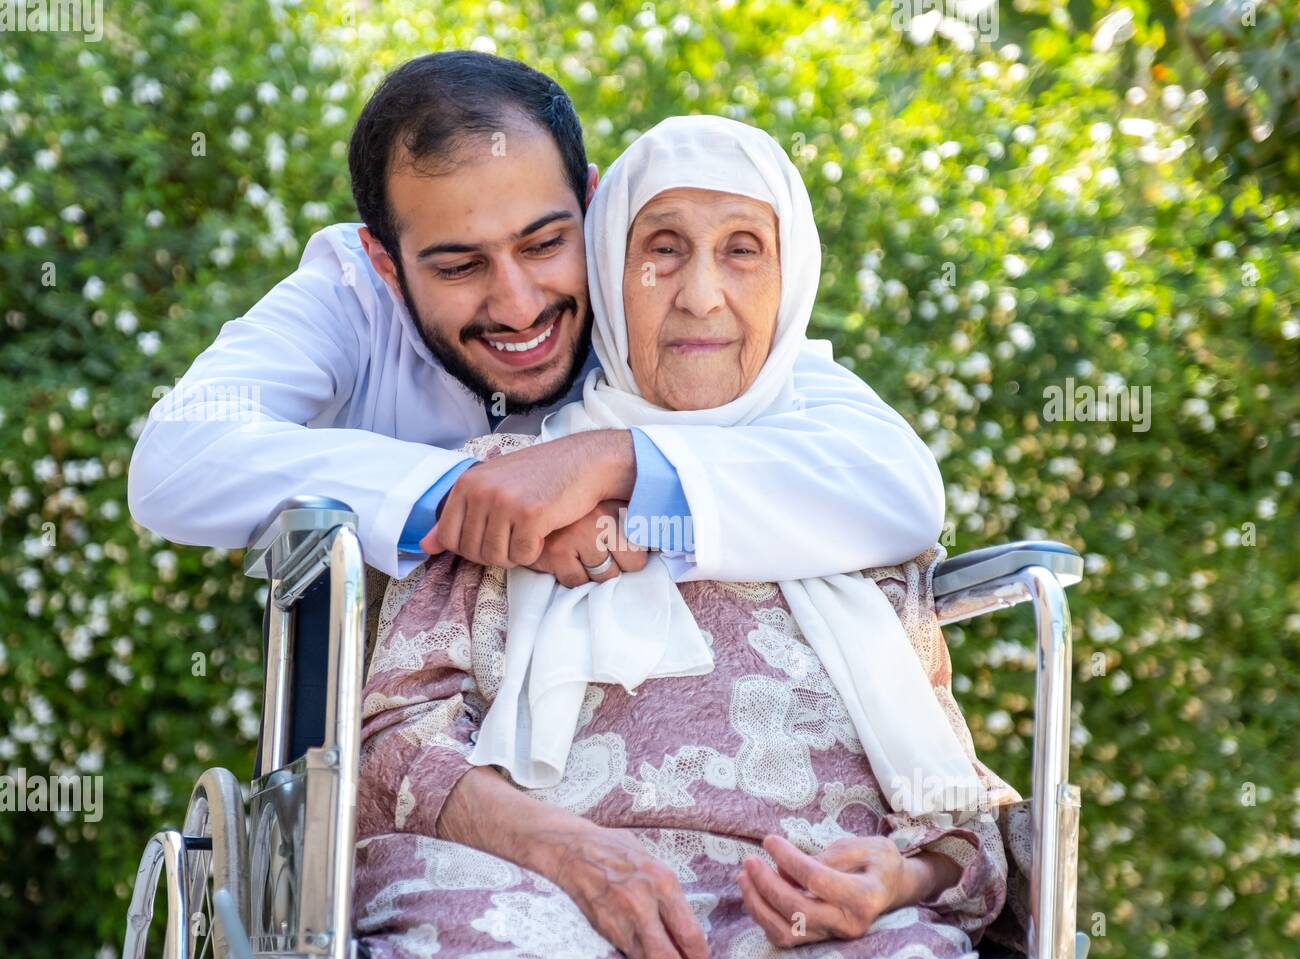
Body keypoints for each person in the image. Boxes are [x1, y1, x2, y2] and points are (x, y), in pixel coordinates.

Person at [350, 114, 1041, 959]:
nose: (702, 294)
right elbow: (395, 744)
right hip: (535, 890)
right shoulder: (515, 482)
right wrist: (572, 854)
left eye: (744, 252)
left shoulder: (846, 499)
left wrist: (895, 879)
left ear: (790, 280)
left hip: (806, 921)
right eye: (662, 250)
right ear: (605, 268)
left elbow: (950, 812)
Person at [125, 51, 944, 586]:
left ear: (591, 204)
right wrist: (472, 500)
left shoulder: (656, 298)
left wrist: (609, 462)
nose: (518, 304)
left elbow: (888, 480)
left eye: (546, 243)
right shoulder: (347, 292)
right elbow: (177, 459)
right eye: (458, 265)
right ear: (385, 261)